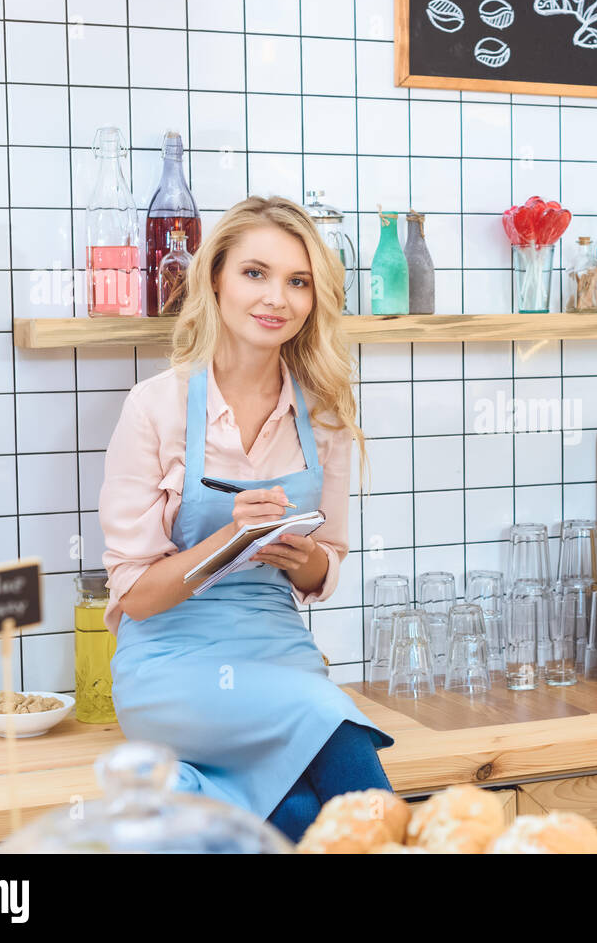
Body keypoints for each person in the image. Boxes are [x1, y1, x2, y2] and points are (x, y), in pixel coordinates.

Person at [99, 195, 392, 842]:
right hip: (170, 661)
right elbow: (136, 596)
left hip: (278, 649)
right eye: (255, 273)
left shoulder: (327, 416)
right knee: (328, 712)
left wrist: (308, 560)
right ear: (215, 279)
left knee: (293, 819)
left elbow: (329, 557)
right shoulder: (154, 409)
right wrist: (229, 538)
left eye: (298, 282)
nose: (276, 298)